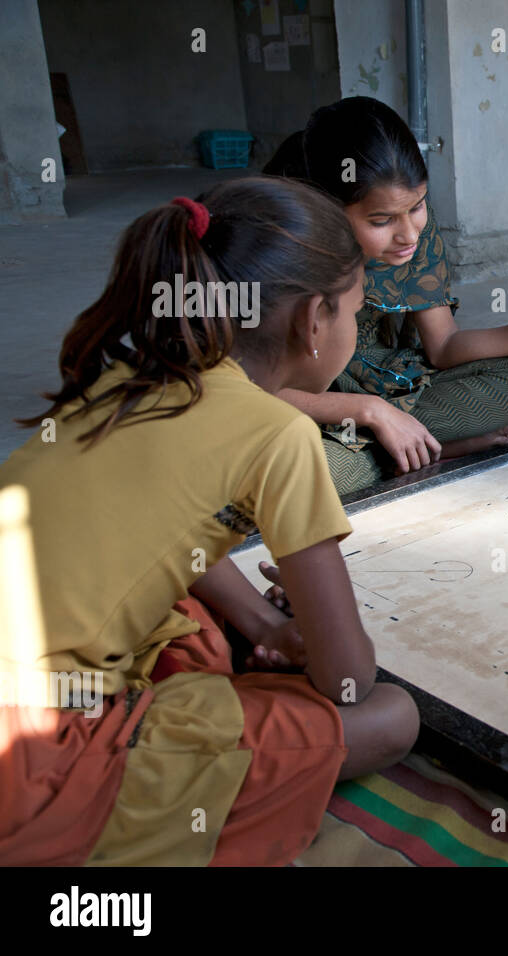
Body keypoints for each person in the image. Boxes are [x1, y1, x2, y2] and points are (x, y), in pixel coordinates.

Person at [0, 178, 419, 865]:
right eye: (355, 309)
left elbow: (173, 534)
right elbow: (349, 680)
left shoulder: (135, 372)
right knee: (390, 719)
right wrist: (315, 644)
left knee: (195, 627)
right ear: (314, 321)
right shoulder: (279, 434)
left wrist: (263, 625)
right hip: (30, 762)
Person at [265, 97, 508, 495]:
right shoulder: (282, 249)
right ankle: (418, 449)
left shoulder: (411, 238)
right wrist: (368, 411)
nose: (409, 234)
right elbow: (250, 392)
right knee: (309, 469)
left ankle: (403, 448)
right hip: (312, 402)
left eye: (417, 207)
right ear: (327, 209)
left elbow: (444, 346)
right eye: (381, 221)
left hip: (391, 380)